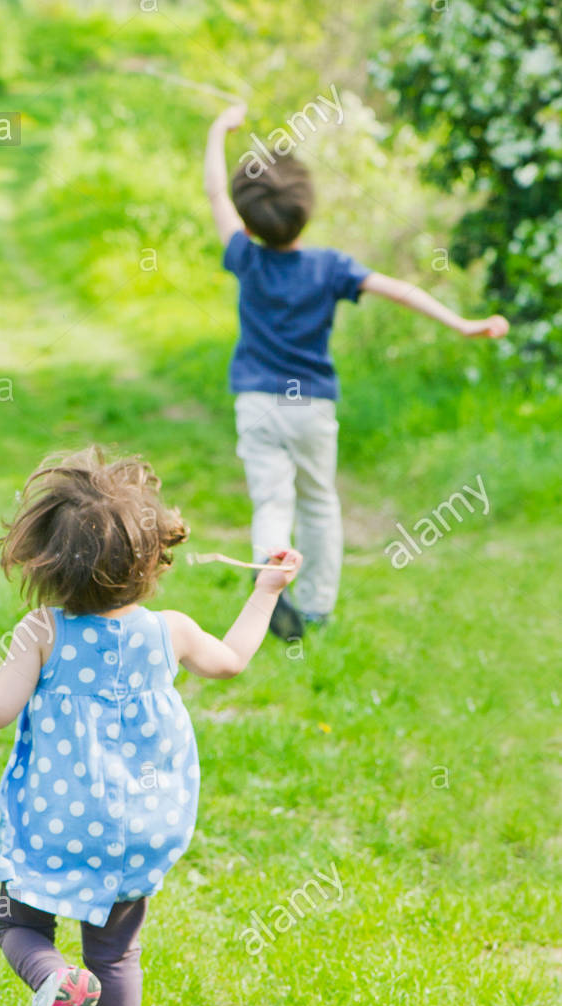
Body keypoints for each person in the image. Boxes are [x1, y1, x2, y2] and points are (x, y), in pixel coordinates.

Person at [0, 446, 302, 1006]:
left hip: (57, 824)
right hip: (139, 826)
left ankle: (53, 980)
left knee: (18, 926)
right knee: (115, 955)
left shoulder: (42, 631)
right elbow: (231, 660)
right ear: (149, 561)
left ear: (49, 564)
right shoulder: (169, 631)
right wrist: (266, 592)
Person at [204, 103, 509, 639]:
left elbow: (214, 193)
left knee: (271, 499)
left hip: (256, 401)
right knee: (319, 501)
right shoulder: (330, 267)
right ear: (307, 208)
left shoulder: (245, 258)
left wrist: (218, 130)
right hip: (311, 405)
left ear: (248, 221)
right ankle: (316, 607)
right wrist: (461, 323)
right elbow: (401, 290)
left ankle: (269, 574)